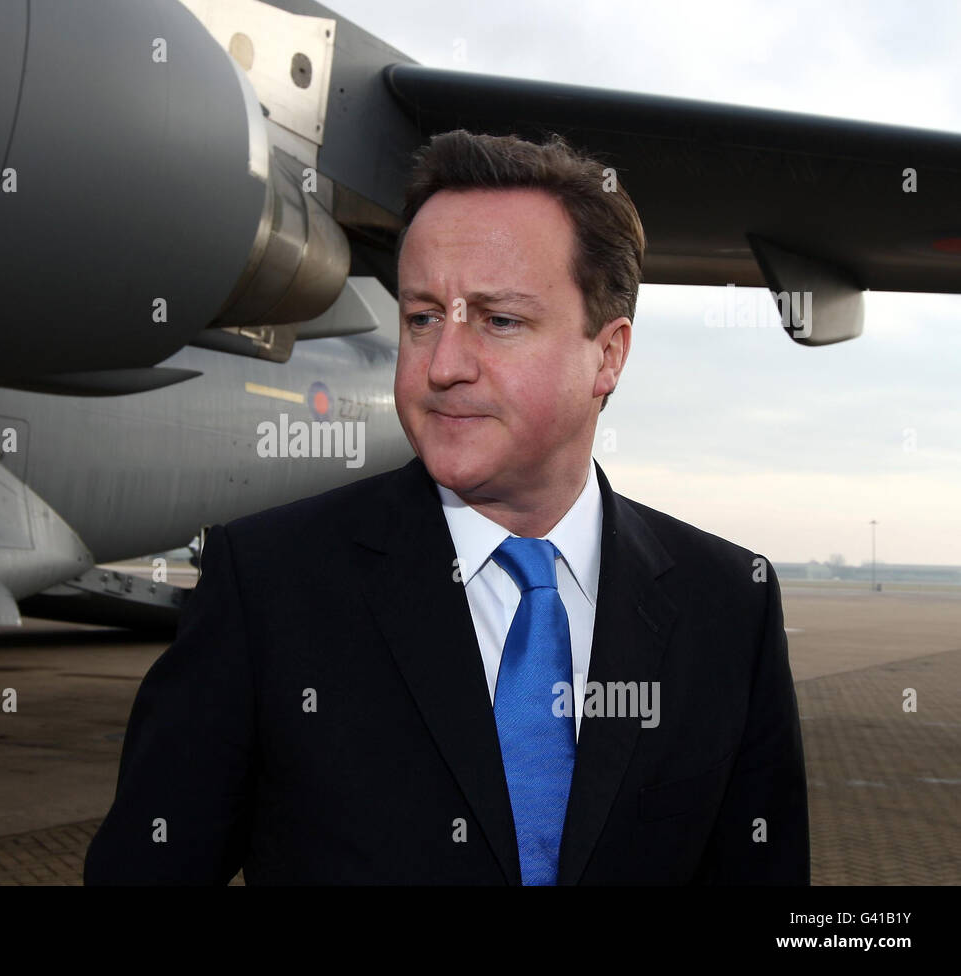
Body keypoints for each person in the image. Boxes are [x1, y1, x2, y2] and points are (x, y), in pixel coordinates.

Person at [84, 130, 809, 885]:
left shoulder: (728, 605)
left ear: (608, 354)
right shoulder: (269, 588)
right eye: (423, 317)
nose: (443, 366)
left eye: (498, 321)